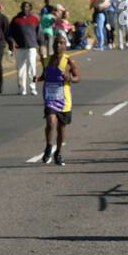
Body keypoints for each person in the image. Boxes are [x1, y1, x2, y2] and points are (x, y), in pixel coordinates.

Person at [38, 34, 79, 165]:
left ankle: (58, 152)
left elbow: (78, 77)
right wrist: (38, 79)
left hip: (64, 99)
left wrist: (69, 78)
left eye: (61, 43)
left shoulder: (69, 61)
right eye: (56, 43)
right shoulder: (46, 60)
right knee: (50, 122)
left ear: (65, 46)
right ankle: (49, 146)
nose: (57, 45)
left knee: (61, 128)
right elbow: (44, 75)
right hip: (50, 97)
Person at [8, 1, 41, 96]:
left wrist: (41, 45)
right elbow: (9, 33)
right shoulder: (16, 20)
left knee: (32, 67)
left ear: (30, 8)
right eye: (23, 7)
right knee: (20, 69)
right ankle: (22, 89)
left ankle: (33, 87)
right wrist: (12, 42)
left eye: (27, 7)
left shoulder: (34, 19)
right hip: (19, 48)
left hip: (31, 47)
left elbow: (39, 33)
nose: (25, 8)